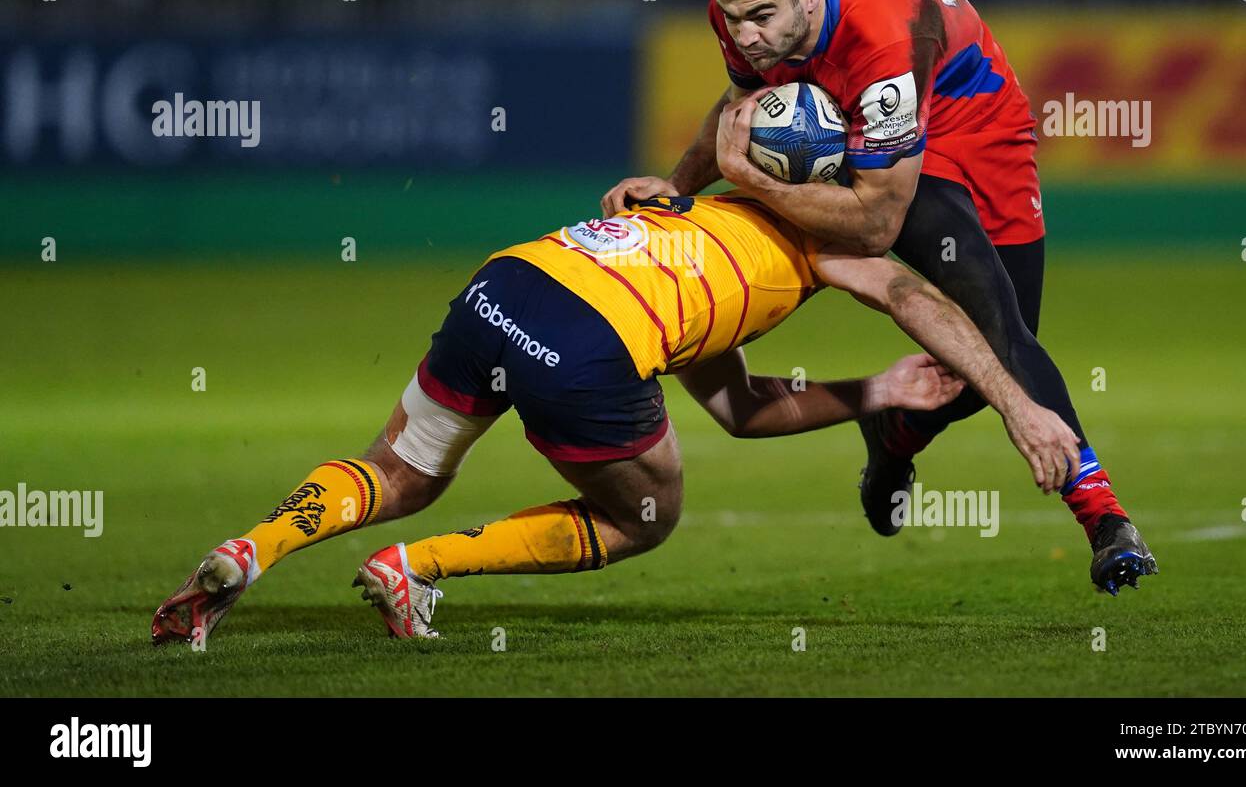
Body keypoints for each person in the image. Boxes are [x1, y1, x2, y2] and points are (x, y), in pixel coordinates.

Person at [152, 192, 1078, 644]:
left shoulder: (703, 215)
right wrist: (1016, 401)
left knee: (398, 467)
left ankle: (252, 549)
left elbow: (741, 409)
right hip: (590, 345)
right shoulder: (833, 253)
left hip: (506, 283)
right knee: (647, 515)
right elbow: (923, 300)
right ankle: (416, 567)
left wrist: (871, 395)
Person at [600, 0, 1157, 595]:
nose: (745, 36)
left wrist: (745, 178)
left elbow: (874, 228)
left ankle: (894, 432)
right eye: (733, 17)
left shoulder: (882, 41)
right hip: (877, 124)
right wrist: (678, 185)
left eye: (762, 18)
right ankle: (1104, 519)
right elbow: (742, 97)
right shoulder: (749, 11)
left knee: (1003, 347)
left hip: (974, 119)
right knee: (993, 327)